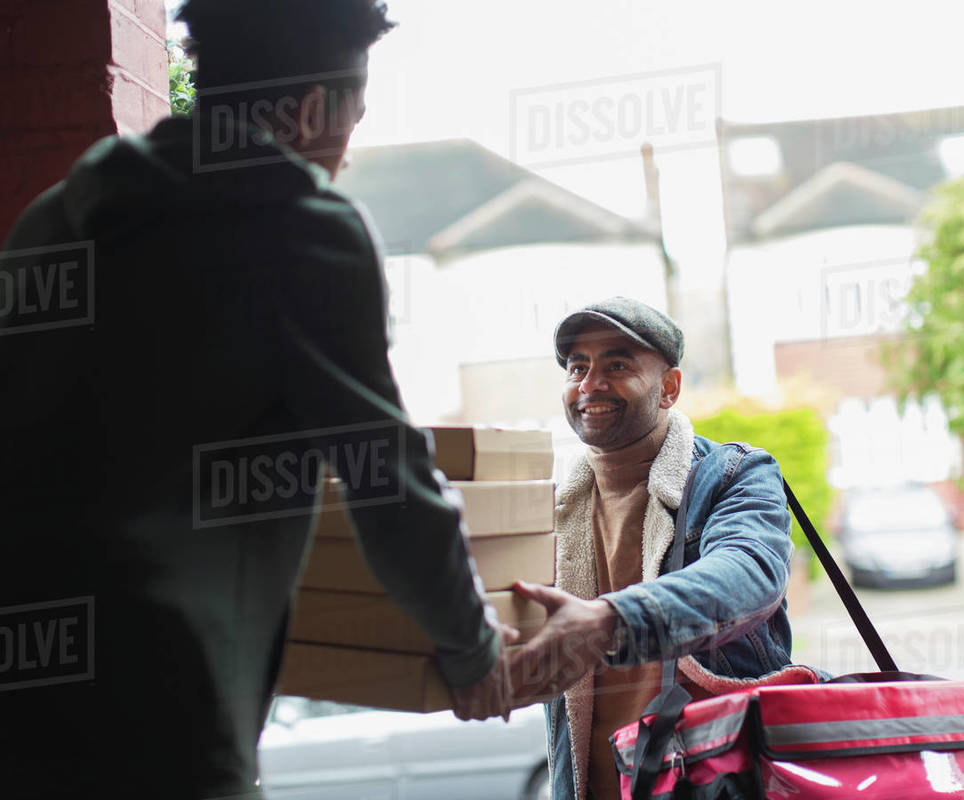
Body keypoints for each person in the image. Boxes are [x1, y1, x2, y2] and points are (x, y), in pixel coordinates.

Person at [0, 2, 510, 797]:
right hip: (161, 709)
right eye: (354, 119)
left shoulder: (52, 218)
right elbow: (387, 476)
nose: (343, 156)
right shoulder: (299, 225)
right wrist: (474, 652)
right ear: (311, 111)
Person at [509, 297, 797, 800]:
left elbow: (750, 572)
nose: (591, 383)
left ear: (669, 388)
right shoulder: (550, 513)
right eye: (578, 366)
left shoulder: (732, 476)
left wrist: (609, 621)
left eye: (617, 365)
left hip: (718, 785)